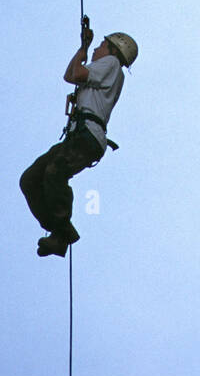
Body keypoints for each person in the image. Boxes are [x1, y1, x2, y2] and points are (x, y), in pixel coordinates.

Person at [20, 24, 137, 257]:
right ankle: (59, 232)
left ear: (114, 51)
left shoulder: (111, 64)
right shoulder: (105, 69)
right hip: (78, 137)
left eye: (102, 45)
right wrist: (83, 47)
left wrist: (83, 50)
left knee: (54, 172)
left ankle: (62, 232)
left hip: (88, 137)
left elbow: (76, 74)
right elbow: (69, 76)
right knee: (30, 179)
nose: (97, 48)